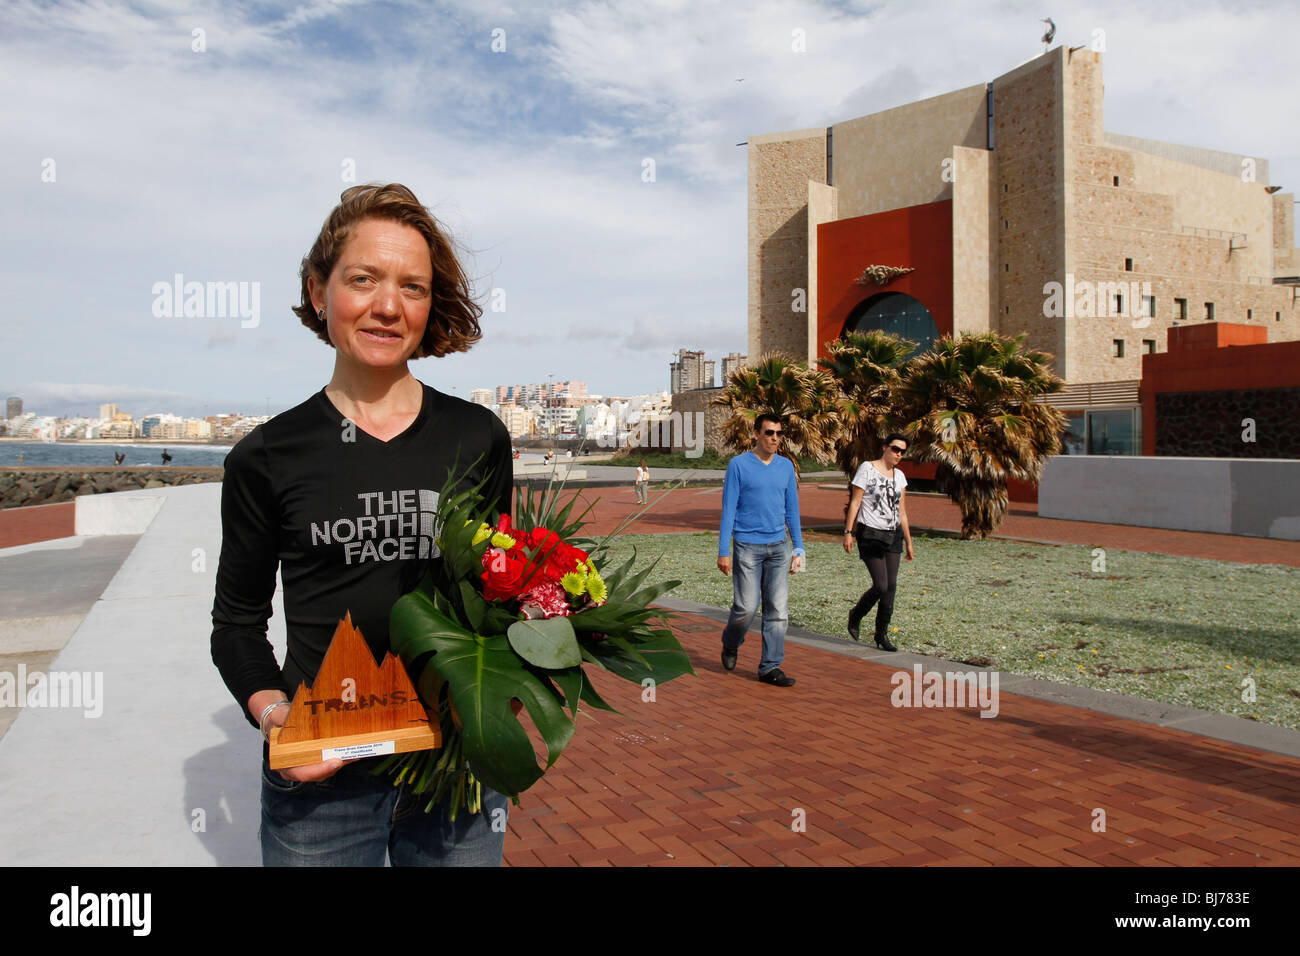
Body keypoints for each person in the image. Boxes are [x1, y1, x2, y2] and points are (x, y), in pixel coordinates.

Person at [210, 183, 513, 866]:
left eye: (412, 287)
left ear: (431, 305)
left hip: (455, 776)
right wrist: (276, 718)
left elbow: (507, 598)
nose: (387, 305)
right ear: (319, 291)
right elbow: (235, 625)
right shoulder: (267, 456)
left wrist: (510, 696)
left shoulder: (477, 437)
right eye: (363, 279)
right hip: (324, 788)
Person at [717, 414, 805, 687]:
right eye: (769, 432)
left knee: (778, 610)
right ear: (756, 434)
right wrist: (724, 550)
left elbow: (792, 509)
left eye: (779, 433)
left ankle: (770, 667)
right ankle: (731, 642)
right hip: (747, 546)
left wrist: (799, 546)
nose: (775, 438)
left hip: (779, 546)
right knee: (745, 607)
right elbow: (729, 508)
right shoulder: (738, 465)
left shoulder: (785, 466)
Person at [843, 433, 914, 651]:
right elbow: (855, 502)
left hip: (893, 535)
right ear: (884, 447)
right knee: (881, 585)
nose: (898, 454)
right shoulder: (867, 468)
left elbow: (902, 512)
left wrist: (909, 542)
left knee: (891, 587)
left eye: (902, 451)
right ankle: (856, 614)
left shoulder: (899, 476)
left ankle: (881, 634)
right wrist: (848, 531)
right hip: (871, 534)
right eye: (895, 449)